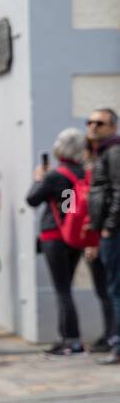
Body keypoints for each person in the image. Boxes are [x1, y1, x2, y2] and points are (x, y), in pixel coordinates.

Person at [27, 129, 108, 356]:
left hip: (54, 235)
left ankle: (70, 339)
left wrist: (39, 179)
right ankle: (68, 337)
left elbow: (32, 199)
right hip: (73, 237)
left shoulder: (55, 175)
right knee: (67, 288)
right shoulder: (82, 173)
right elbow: (69, 207)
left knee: (62, 290)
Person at [85, 108, 120, 365]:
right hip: (90, 233)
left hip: (98, 233)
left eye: (100, 122)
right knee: (106, 288)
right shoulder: (96, 158)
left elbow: (116, 191)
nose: (93, 126)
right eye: (90, 122)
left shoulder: (112, 152)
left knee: (111, 289)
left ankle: (113, 342)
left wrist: (107, 225)